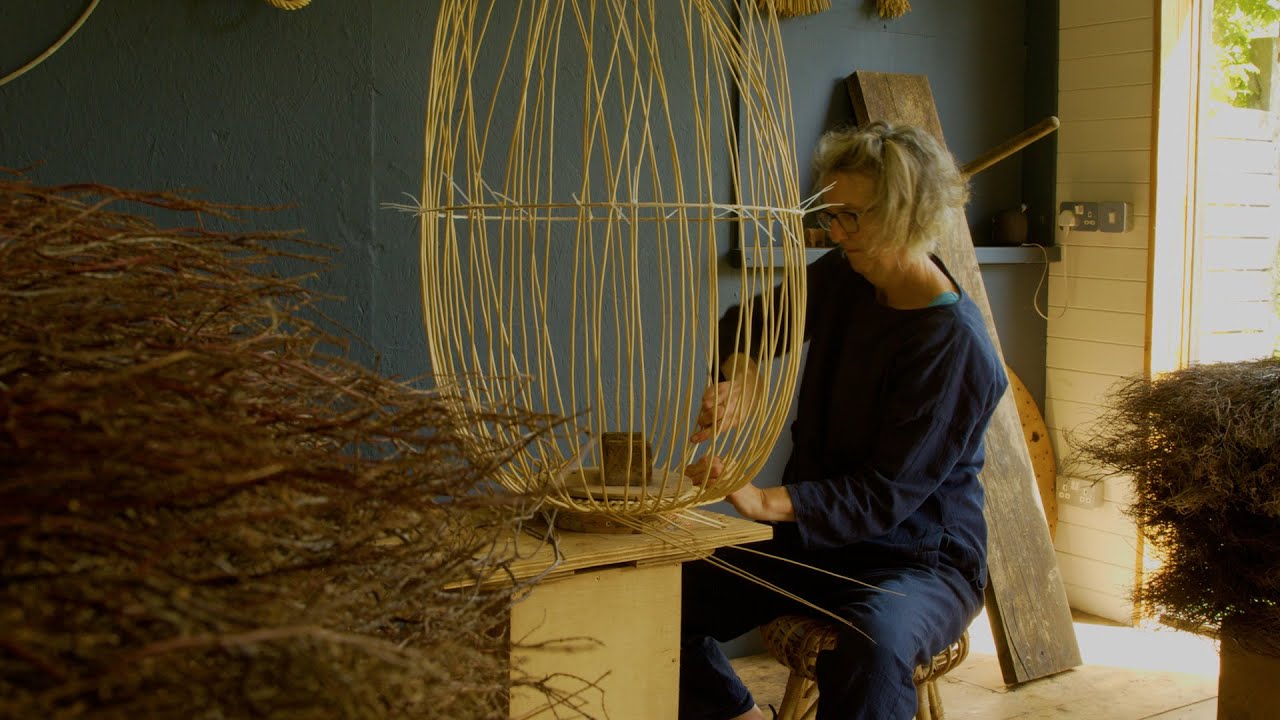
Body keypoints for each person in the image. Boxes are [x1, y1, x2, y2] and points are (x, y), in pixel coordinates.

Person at [678, 121, 1008, 720]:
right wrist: (743, 380)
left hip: (917, 560)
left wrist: (760, 501)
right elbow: (745, 327)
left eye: (849, 216)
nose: (832, 231)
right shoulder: (845, 275)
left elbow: (885, 494)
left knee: (872, 651)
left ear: (908, 213)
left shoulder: (954, 348)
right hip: (816, 547)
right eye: (829, 214)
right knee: (665, 597)